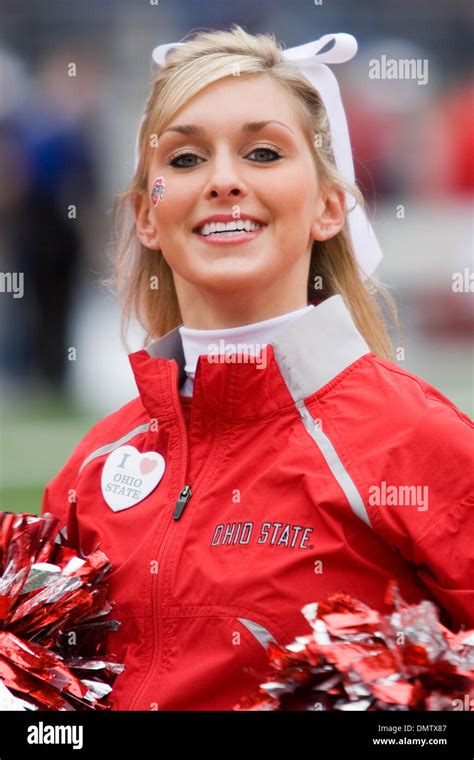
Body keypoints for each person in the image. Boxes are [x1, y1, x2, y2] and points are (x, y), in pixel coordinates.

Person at [40, 25, 473, 711]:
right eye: (184, 160)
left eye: (264, 152)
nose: (224, 181)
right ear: (147, 219)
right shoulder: (93, 470)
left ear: (331, 207)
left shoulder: (419, 443)